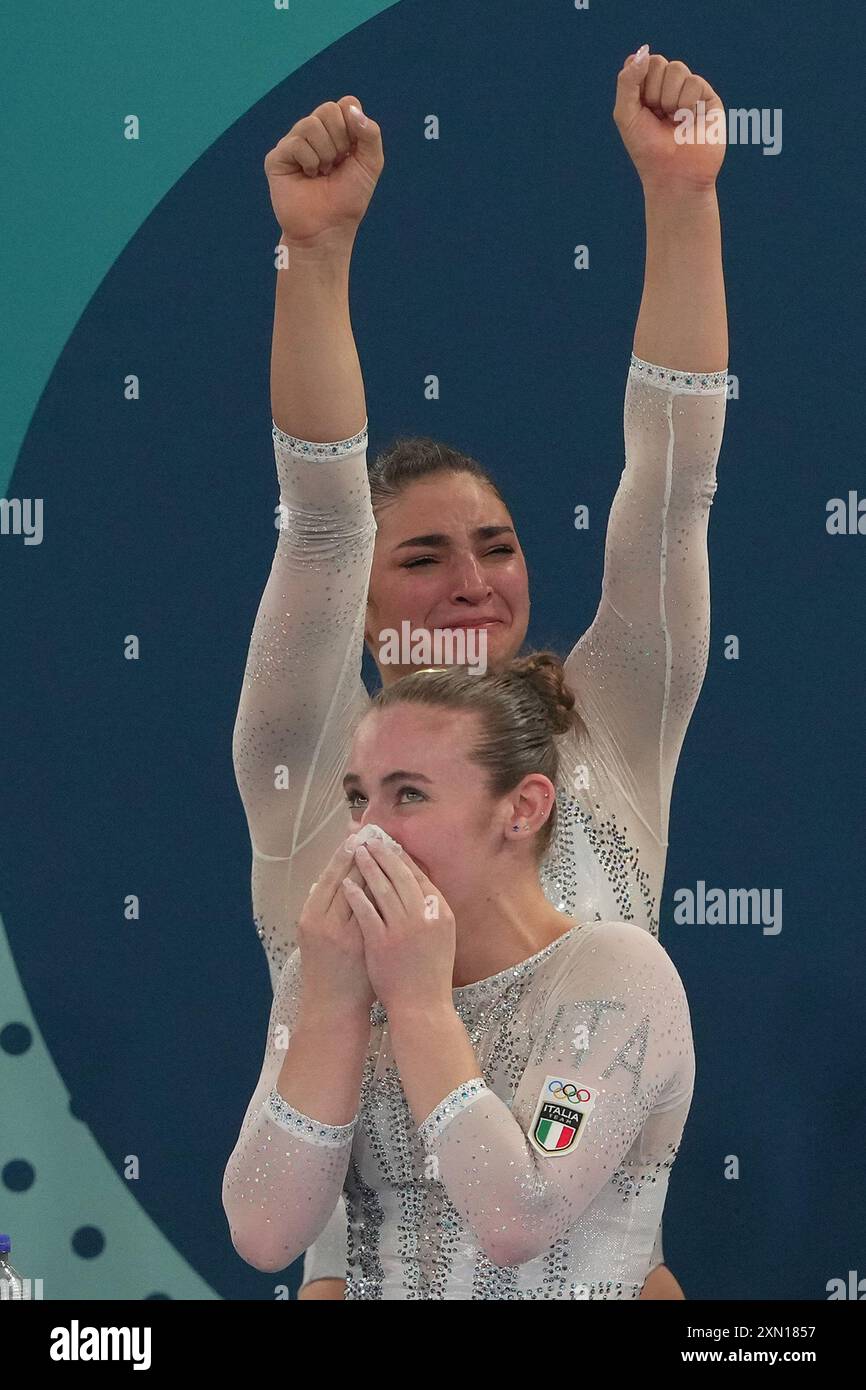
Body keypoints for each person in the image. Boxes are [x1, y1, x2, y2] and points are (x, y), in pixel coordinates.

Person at [233, 45, 727, 1297]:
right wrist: (316, 258)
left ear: (529, 810)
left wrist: (681, 201)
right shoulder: (317, 778)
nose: (472, 581)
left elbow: (667, 501)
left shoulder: (605, 729)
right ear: (361, 606)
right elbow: (323, 516)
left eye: (497, 548)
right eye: (425, 559)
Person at [223, 654, 695, 1299]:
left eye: (409, 794)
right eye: (359, 798)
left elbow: (517, 1222)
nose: (367, 835)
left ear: (523, 808)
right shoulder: (330, 976)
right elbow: (265, 1234)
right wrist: (333, 1004)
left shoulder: (615, 972)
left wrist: (417, 1003)